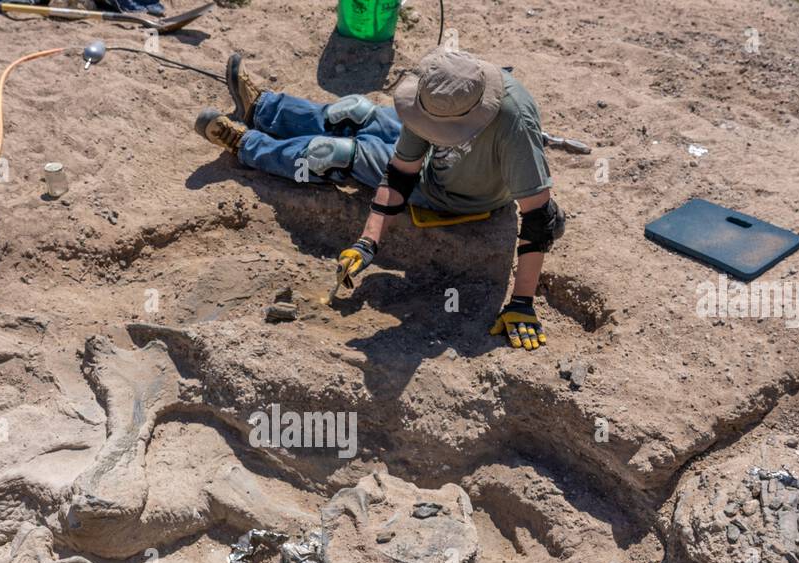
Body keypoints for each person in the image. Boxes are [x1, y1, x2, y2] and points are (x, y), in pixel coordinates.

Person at [194, 49, 564, 350]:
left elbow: (539, 218)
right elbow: (401, 172)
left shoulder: (514, 124)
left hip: (456, 191)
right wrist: (366, 242)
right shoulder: (446, 93)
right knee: (353, 111)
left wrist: (521, 305)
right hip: (437, 156)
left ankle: (247, 145)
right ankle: (262, 109)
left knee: (333, 153)